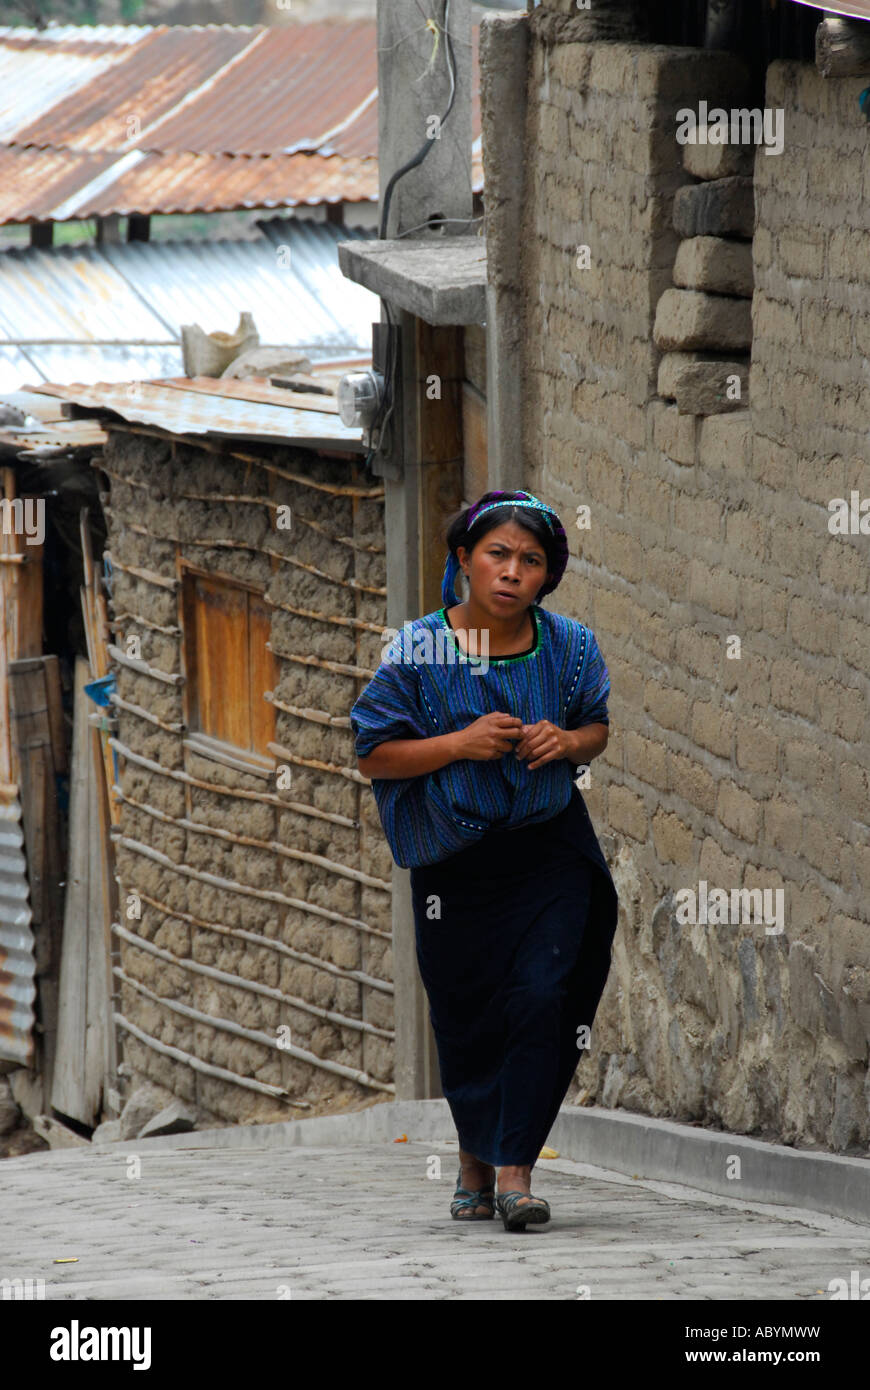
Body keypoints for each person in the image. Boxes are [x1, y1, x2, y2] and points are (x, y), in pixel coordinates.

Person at [349, 489, 618, 1232]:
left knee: (542, 995)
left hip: (550, 849)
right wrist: (458, 745)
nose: (512, 572)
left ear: (546, 577)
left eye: (530, 561)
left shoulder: (569, 647)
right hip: (455, 864)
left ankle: (513, 1173)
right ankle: (474, 1158)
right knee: (470, 1014)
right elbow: (373, 753)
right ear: (464, 559)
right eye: (497, 554)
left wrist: (566, 743)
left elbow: (595, 726)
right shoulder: (419, 650)